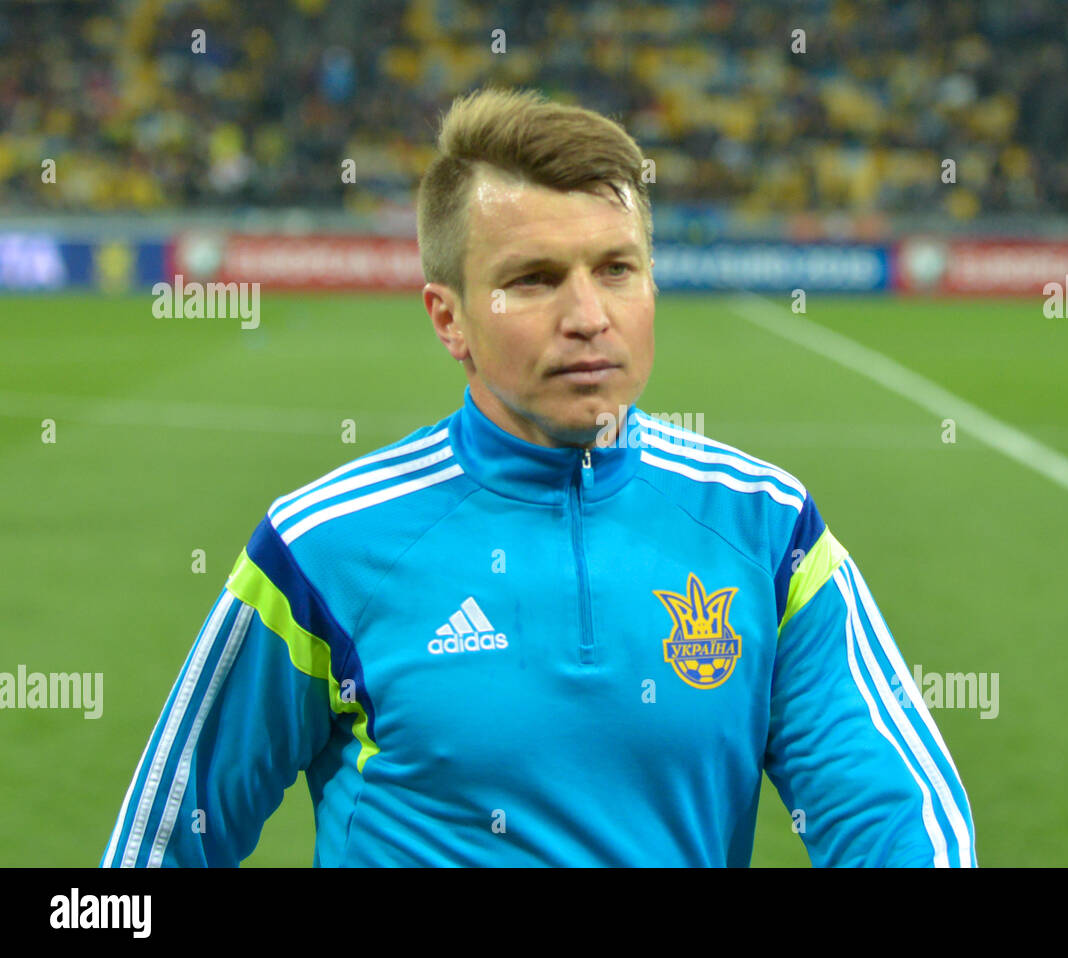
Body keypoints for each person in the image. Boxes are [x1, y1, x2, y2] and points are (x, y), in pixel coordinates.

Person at [100, 87, 976, 867]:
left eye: (617, 270)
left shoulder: (764, 525)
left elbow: (892, 809)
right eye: (534, 279)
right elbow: (162, 840)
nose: (590, 317)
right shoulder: (322, 547)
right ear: (450, 318)